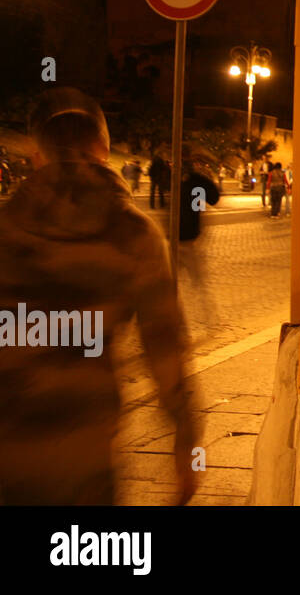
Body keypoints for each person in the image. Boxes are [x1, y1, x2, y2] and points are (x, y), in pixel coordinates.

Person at [0, 88, 196, 505]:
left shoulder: (5, 227)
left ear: (36, 155)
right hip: (86, 456)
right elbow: (165, 348)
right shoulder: (133, 233)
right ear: (104, 151)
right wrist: (186, 441)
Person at [177, 155, 220, 332]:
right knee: (198, 281)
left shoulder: (189, 182)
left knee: (192, 281)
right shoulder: (195, 182)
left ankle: (209, 319)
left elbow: (207, 200)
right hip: (186, 239)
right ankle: (210, 319)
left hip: (180, 238)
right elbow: (212, 198)